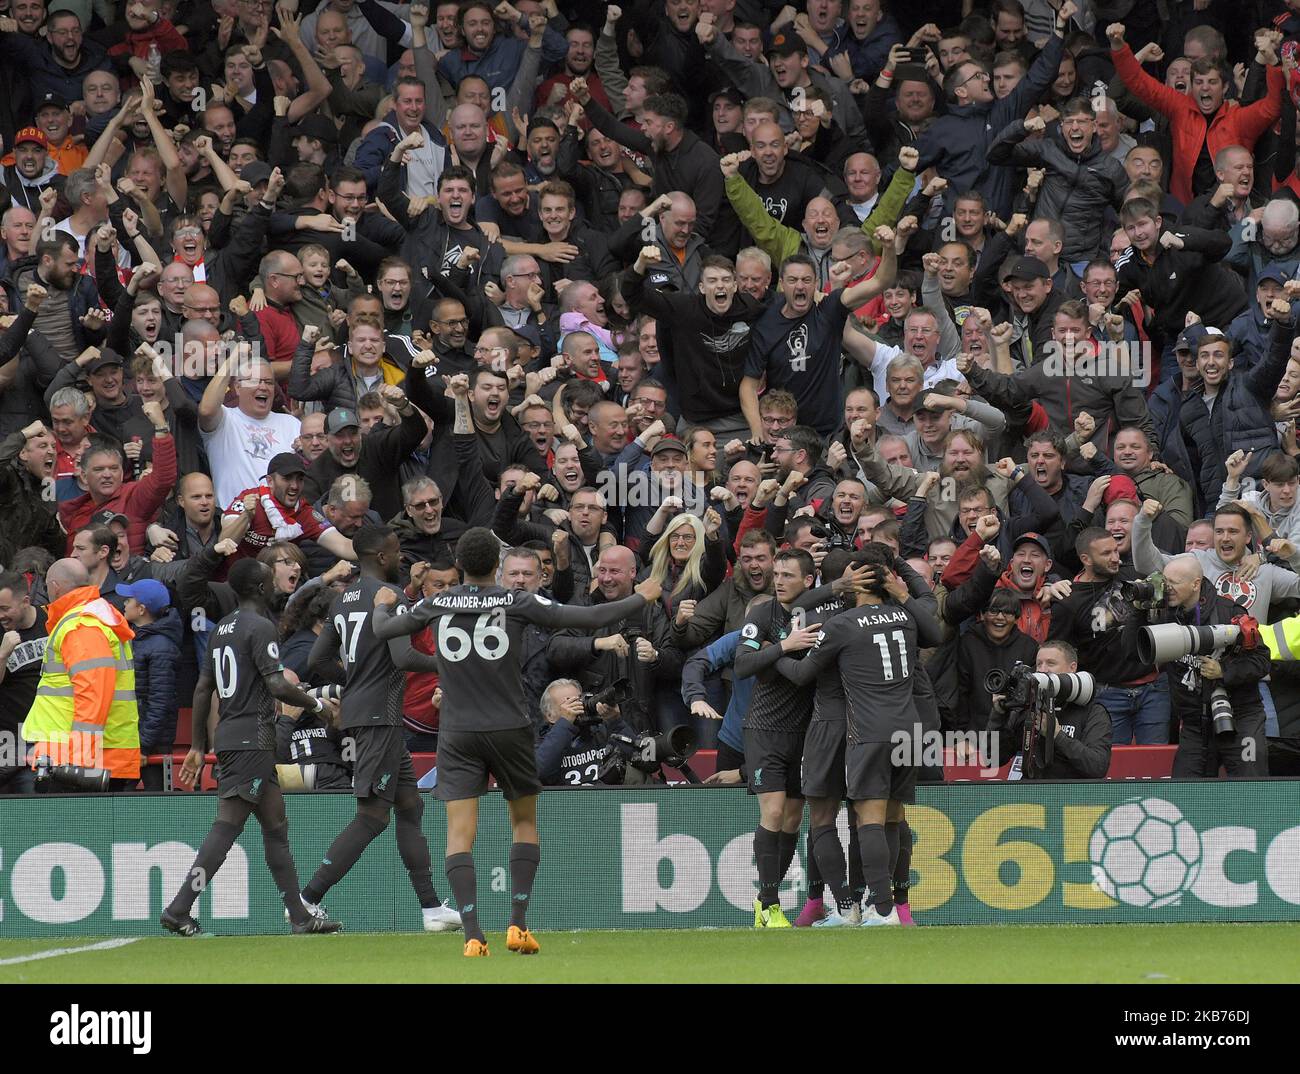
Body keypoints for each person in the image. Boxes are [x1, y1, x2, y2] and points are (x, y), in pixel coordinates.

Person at [372, 527, 663, 956]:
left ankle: (472, 934)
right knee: (524, 823)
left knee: (459, 834)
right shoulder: (515, 600)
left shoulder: (437, 602)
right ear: (497, 566)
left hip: (458, 732)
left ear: (461, 566)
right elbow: (585, 618)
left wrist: (383, 605)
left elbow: (384, 630)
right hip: (509, 728)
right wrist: (642, 597)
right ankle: (518, 925)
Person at [161, 558, 344, 937]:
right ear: (261, 588)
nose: (277, 582)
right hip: (252, 738)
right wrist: (317, 705)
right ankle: (179, 908)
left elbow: (202, 689)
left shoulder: (221, 629)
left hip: (233, 735)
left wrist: (198, 744)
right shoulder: (260, 627)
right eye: (270, 578)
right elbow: (277, 685)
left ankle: (299, 916)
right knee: (227, 826)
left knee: (276, 826)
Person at [300, 524, 461, 932]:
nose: (401, 556)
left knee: (411, 807)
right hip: (380, 717)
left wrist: (355, 680)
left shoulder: (342, 601)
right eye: (396, 551)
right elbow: (404, 657)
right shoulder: (390, 601)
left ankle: (431, 910)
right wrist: (450, 664)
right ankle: (307, 899)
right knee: (372, 817)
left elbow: (317, 662)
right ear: (383, 558)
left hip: (365, 713)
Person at [773, 543, 938, 926]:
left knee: (866, 820)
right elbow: (935, 626)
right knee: (892, 819)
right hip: (910, 728)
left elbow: (800, 671)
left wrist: (775, 651)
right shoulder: (905, 616)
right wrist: (899, 582)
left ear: (856, 579)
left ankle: (873, 910)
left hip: (864, 729)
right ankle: (894, 906)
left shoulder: (840, 623)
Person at [1123, 554, 1269, 778]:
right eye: (1165, 581)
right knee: (1186, 794)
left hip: (1240, 717)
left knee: (1250, 787)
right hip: (1194, 723)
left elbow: (1262, 660)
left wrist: (1224, 672)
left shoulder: (1230, 612)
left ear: (1195, 584)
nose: (1167, 588)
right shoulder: (1165, 614)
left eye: (1174, 582)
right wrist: (1138, 610)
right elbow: (1133, 654)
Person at [22, 557, 139, 790]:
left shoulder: (81, 625)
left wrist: (80, 762)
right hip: (84, 758)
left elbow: (93, 695)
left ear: (54, 587)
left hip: (81, 763)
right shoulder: (89, 619)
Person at [992, 640, 1112, 778]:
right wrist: (998, 714)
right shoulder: (1027, 707)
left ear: (1072, 668)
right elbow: (992, 759)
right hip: (1030, 795)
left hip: (1073, 795)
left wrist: (1056, 734)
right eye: (1039, 664)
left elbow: (1097, 767)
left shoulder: (1092, 711)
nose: (1042, 669)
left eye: (1051, 663)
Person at [119, 578, 181, 791]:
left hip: (150, 744)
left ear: (142, 609)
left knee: (158, 806)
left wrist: (143, 745)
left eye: (129, 600)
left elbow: (160, 701)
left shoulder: (161, 646)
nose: (124, 604)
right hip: (133, 738)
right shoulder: (137, 639)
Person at [534, 677, 637, 786]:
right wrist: (565, 724)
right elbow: (540, 772)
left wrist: (616, 722)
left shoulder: (600, 731)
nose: (579, 706)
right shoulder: (544, 743)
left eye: (580, 699)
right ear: (550, 716)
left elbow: (634, 758)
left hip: (607, 800)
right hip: (568, 802)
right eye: (570, 703)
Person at [0, 570, 48, 794]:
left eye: (5, 608)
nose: (0, 615)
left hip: (44, 739)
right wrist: (2, 655)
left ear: (26, 601)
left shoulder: (51, 622)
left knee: (33, 809)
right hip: (7, 741)